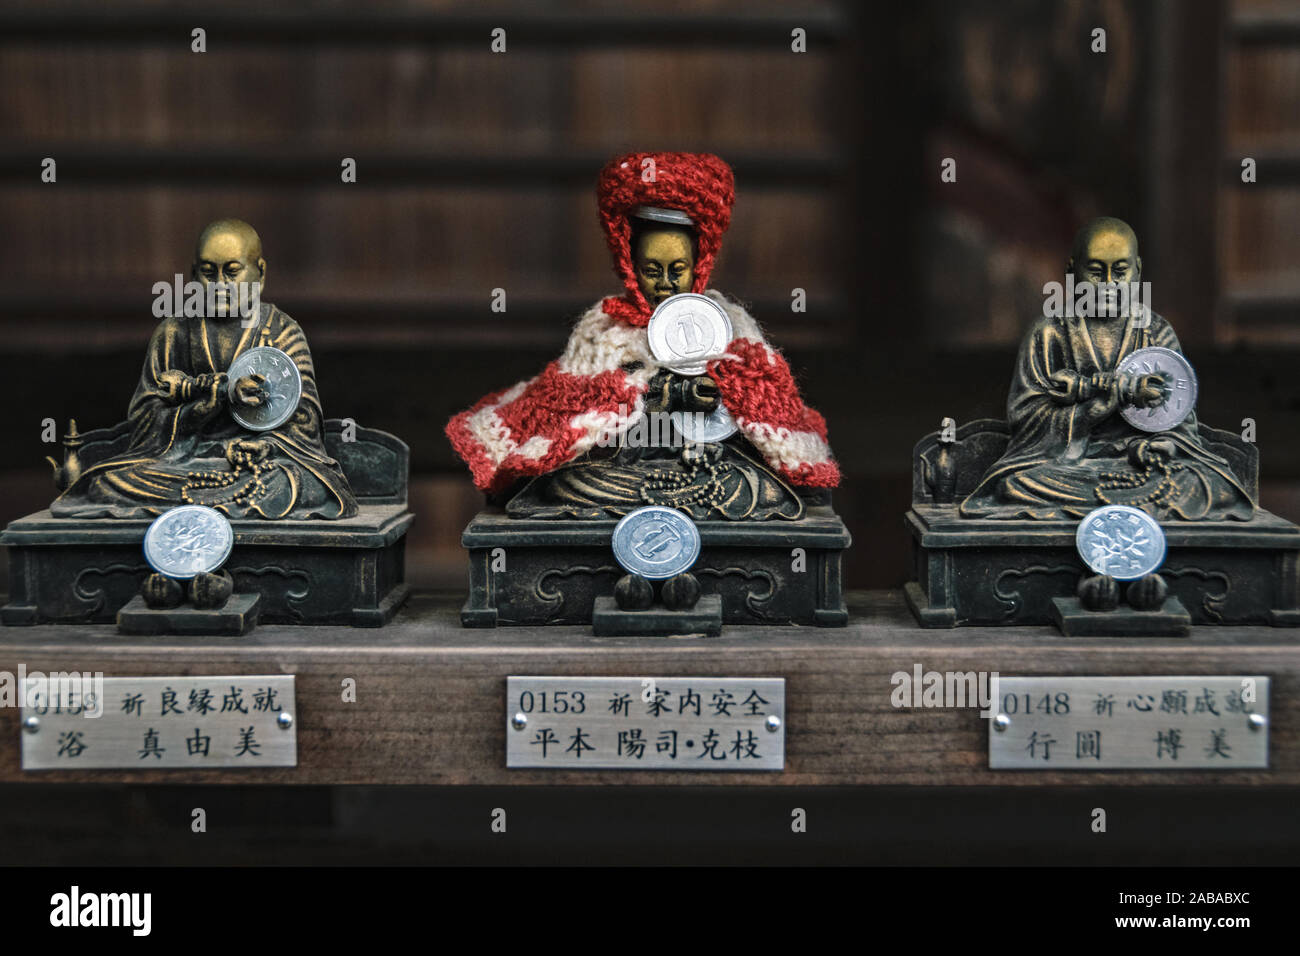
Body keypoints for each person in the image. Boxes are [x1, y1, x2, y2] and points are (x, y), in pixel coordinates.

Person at [445, 151, 839, 522]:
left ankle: (688, 496)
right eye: (652, 270)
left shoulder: (731, 324)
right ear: (629, 263)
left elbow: (762, 406)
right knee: (563, 484)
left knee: (760, 488)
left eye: (678, 269)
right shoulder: (606, 328)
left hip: (708, 462)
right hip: (623, 468)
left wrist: (711, 396)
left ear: (700, 262)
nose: (665, 283)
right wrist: (656, 397)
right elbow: (579, 408)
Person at [51, 218, 357, 523]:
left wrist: (264, 446)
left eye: (232, 272)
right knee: (109, 483)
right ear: (193, 275)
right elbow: (144, 422)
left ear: (260, 273)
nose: (220, 285)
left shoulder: (281, 332)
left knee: (297, 483)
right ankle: (218, 505)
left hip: (253, 467)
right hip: (183, 463)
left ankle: (223, 501)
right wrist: (196, 412)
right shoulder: (174, 332)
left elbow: (305, 423)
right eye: (208, 273)